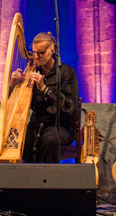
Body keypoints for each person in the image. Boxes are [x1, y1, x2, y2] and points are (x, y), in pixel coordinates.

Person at [10, 32, 79, 163]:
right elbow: (17, 106)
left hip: (60, 126)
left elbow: (69, 108)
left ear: (52, 51)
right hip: (36, 125)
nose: (35, 56)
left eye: (40, 53)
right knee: (13, 138)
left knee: (49, 141)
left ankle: (49, 182)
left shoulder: (66, 72)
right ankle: (25, 181)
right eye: (33, 52)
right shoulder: (31, 72)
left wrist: (44, 89)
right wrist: (14, 85)